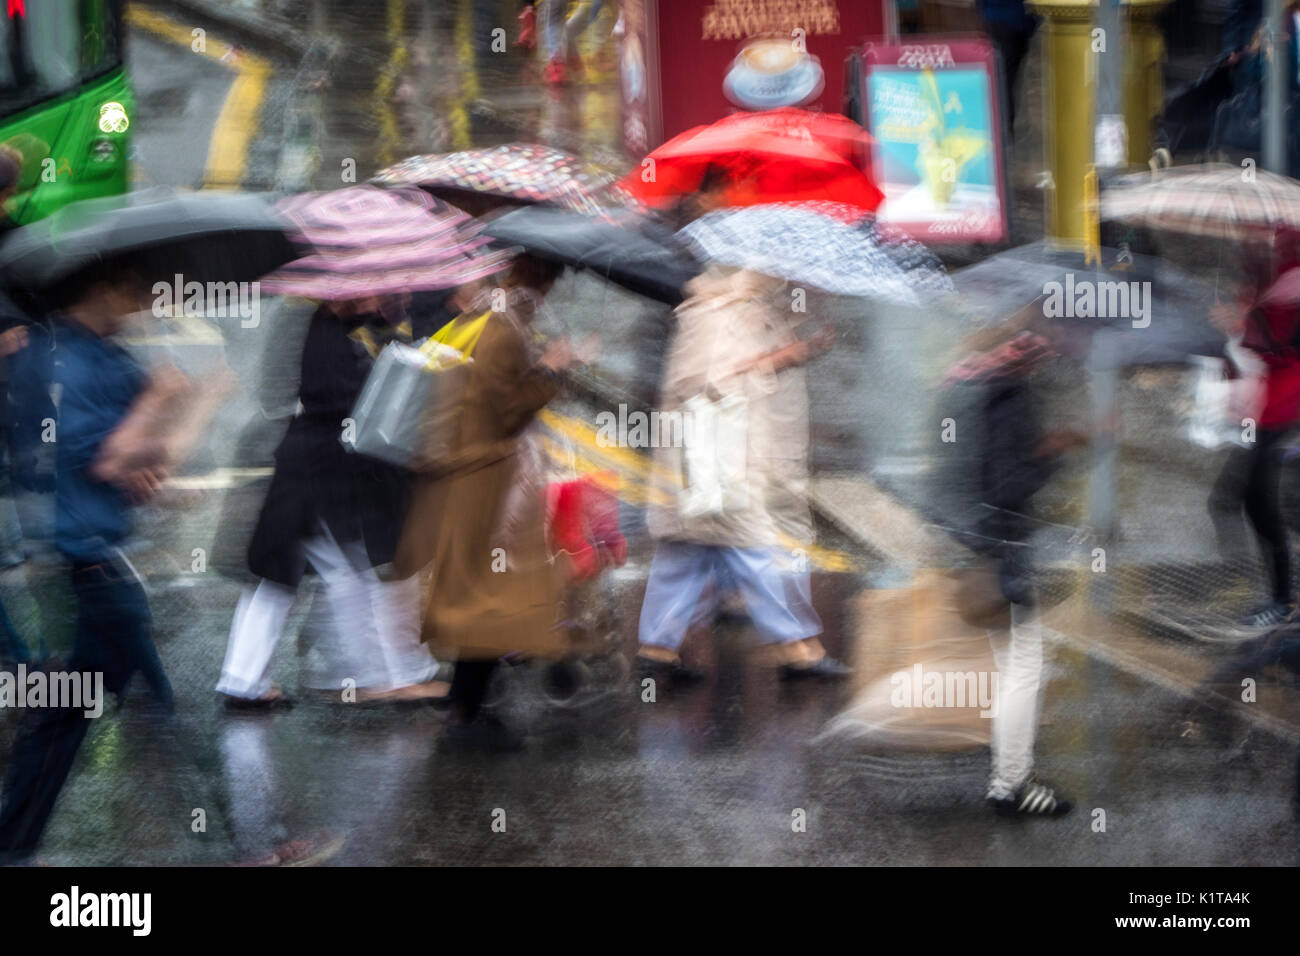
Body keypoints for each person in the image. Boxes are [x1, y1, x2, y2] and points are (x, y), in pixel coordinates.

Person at [0, 266, 207, 862]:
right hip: (84, 566)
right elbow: (115, 457)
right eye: (136, 287)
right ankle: (231, 845)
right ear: (101, 288)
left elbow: (144, 458)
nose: (147, 299)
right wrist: (178, 403)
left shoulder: (96, 354)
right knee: (147, 716)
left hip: (88, 562)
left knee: (72, 720)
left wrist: (171, 426)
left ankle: (12, 849)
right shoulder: (64, 360)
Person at [215, 294, 444, 710]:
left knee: (281, 581)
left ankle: (244, 681)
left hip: (309, 470)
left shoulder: (327, 325)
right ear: (342, 294)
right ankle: (376, 677)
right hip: (322, 474)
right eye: (370, 290)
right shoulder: (323, 334)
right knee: (349, 573)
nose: (380, 294)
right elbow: (343, 400)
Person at [393, 254, 578, 752]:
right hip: (486, 481)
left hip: (478, 478)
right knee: (490, 597)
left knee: (486, 595)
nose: (546, 296)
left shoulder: (491, 320)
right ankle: (466, 710)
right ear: (534, 277)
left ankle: (466, 702)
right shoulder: (501, 327)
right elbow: (506, 410)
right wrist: (552, 371)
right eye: (548, 279)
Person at [634, 265, 849, 688]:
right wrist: (775, 360)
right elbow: (703, 382)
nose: (783, 278)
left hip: (713, 461)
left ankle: (656, 651)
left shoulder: (742, 309)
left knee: (686, 553)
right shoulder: (718, 313)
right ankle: (798, 650)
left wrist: (789, 345)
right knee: (755, 550)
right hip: (717, 459)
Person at [934, 326, 1082, 817]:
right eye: (1038, 343)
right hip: (1000, 551)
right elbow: (1007, 484)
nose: (1047, 351)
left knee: (1013, 665)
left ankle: (1007, 769)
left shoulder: (967, 382)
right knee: (1024, 668)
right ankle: (1011, 784)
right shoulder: (1009, 396)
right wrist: (1053, 449)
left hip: (971, 542)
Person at [1208, 235, 1300, 634]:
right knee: (1234, 500)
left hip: (1284, 407)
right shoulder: (1263, 280)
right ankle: (1275, 591)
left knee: (1254, 502)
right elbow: (1247, 355)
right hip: (1264, 409)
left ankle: (1282, 600)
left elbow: (1280, 349)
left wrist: (1242, 323)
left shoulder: (1291, 280)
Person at [976, 0, 1038, 141]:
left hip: (995, 21)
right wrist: (1032, 23)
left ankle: (999, 127)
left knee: (1001, 77)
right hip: (1014, 24)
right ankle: (1004, 129)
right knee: (1007, 80)